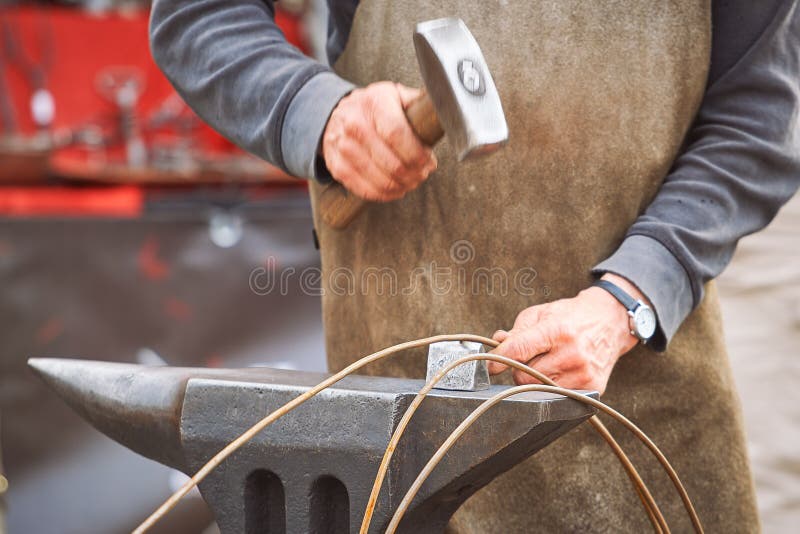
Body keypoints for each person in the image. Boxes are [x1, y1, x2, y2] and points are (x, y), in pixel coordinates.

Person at [149, 1, 800, 531]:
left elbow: (756, 119)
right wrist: (316, 112)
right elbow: (198, 17)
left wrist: (630, 299)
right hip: (396, 404)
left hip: (633, 402)